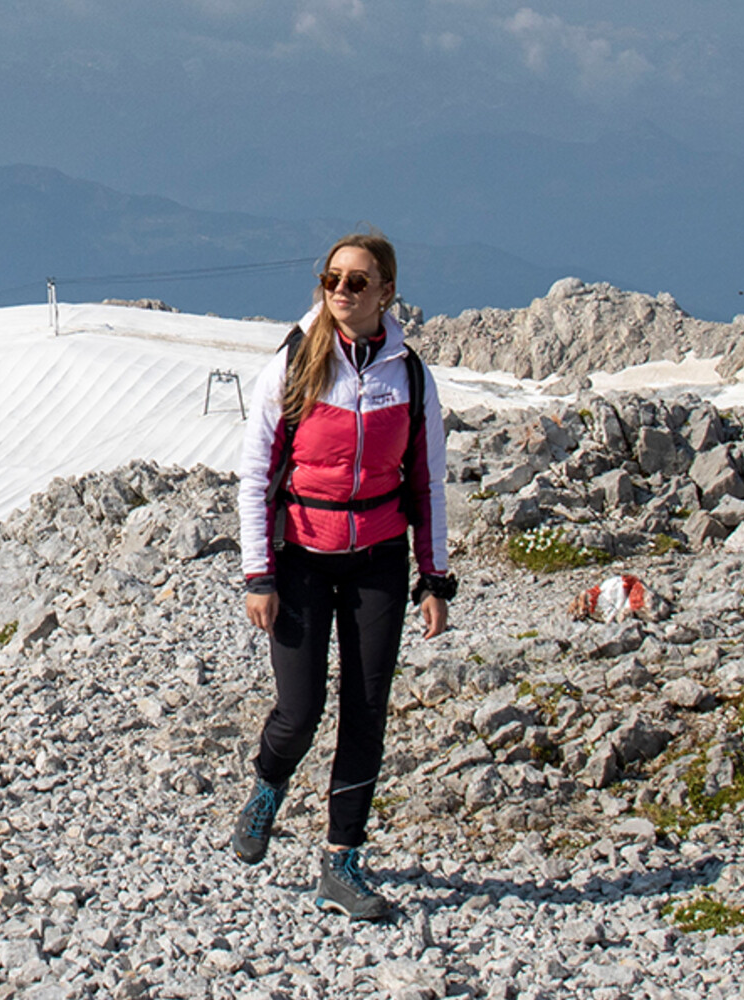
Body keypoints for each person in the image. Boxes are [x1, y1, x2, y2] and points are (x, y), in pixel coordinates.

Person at [227, 231, 456, 922]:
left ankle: (341, 861)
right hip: (300, 553)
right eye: (332, 279)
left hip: (378, 556)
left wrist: (434, 579)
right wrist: (257, 575)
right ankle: (268, 787)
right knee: (300, 711)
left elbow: (429, 484)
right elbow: (254, 475)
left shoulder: (410, 375)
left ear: (387, 291)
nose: (341, 292)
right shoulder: (294, 364)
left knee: (366, 710)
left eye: (357, 282)